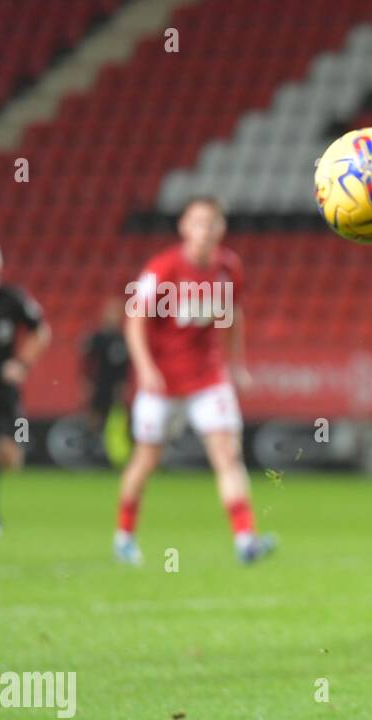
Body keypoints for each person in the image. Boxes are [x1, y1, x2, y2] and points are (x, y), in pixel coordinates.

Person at [114, 196, 276, 565]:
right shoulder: (162, 268)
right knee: (146, 458)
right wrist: (145, 368)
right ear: (184, 228)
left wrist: (236, 363)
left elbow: (233, 315)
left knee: (227, 455)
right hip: (164, 382)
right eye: (197, 222)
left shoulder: (228, 267)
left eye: (211, 223)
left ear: (221, 229)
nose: (204, 231)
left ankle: (245, 539)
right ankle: (124, 535)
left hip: (208, 377)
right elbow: (135, 321)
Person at [0, 234, 50, 537]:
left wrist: (22, 364)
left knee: (11, 458)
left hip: (3, 389)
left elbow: (40, 331)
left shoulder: (12, 299)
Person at [81, 296, 131, 463]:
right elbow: (87, 362)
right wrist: (86, 382)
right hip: (99, 384)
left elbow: (125, 367)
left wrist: (123, 386)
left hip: (115, 387)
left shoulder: (122, 339)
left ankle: (112, 454)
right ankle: (88, 451)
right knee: (94, 417)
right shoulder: (97, 337)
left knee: (115, 421)